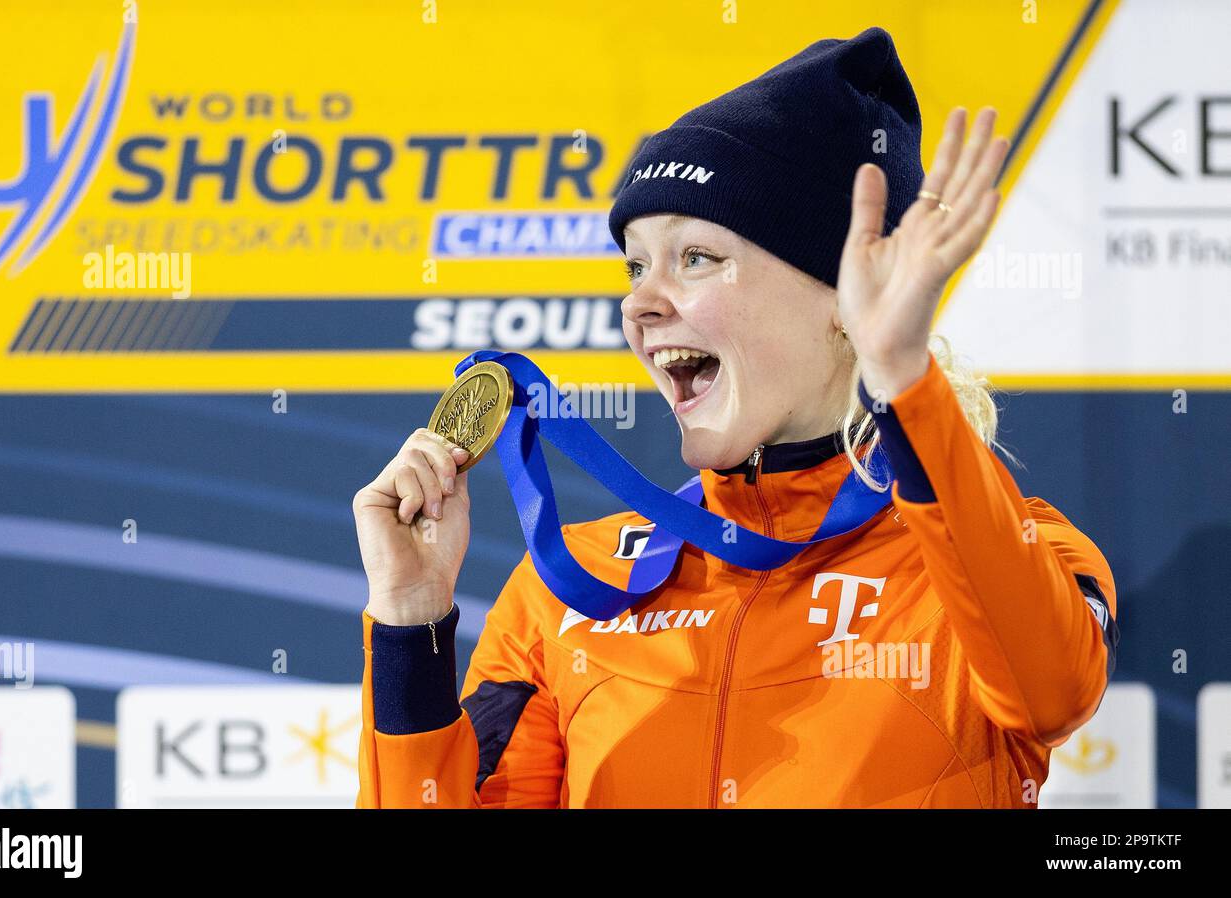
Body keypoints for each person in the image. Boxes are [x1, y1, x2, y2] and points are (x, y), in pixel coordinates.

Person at [351, 26, 1118, 808]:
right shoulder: (571, 588)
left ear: (845, 301)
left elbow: (1053, 694)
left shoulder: (1011, 558)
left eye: (697, 257)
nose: (639, 303)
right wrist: (411, 627)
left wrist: (905, 385)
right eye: (636, 265)